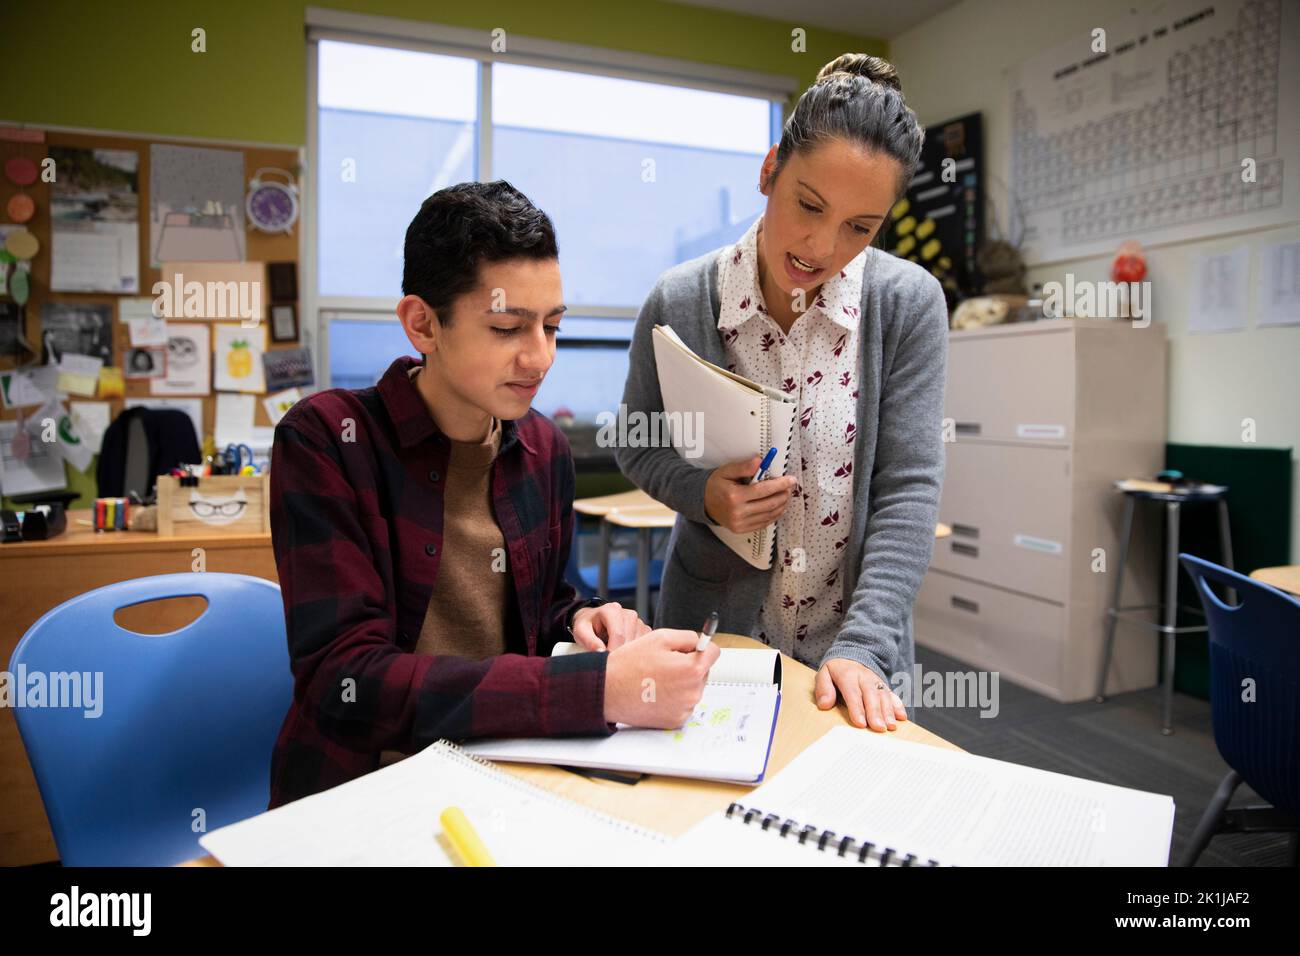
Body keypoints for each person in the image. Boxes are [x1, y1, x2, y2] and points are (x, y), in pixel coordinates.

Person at [267, 180, 719, 807]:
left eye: (553, 327)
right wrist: (596, 688)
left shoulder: (542, 449)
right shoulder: (327, 441)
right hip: (362, 789)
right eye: (508, 326)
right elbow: (344, 681)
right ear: (423, 324)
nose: (540, 358)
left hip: (505, 774)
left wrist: (585, 620)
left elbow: (542, 610)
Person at [617, 54, 946, 734]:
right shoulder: (679, 300)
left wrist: (866, 646)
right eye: (808, 204)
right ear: (770, 170)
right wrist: (703, 494)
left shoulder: (907, 304)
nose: (823, 245)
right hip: (716, 635)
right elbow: (635, 439)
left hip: (851, 652)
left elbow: (908, 489)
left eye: (861, 226)